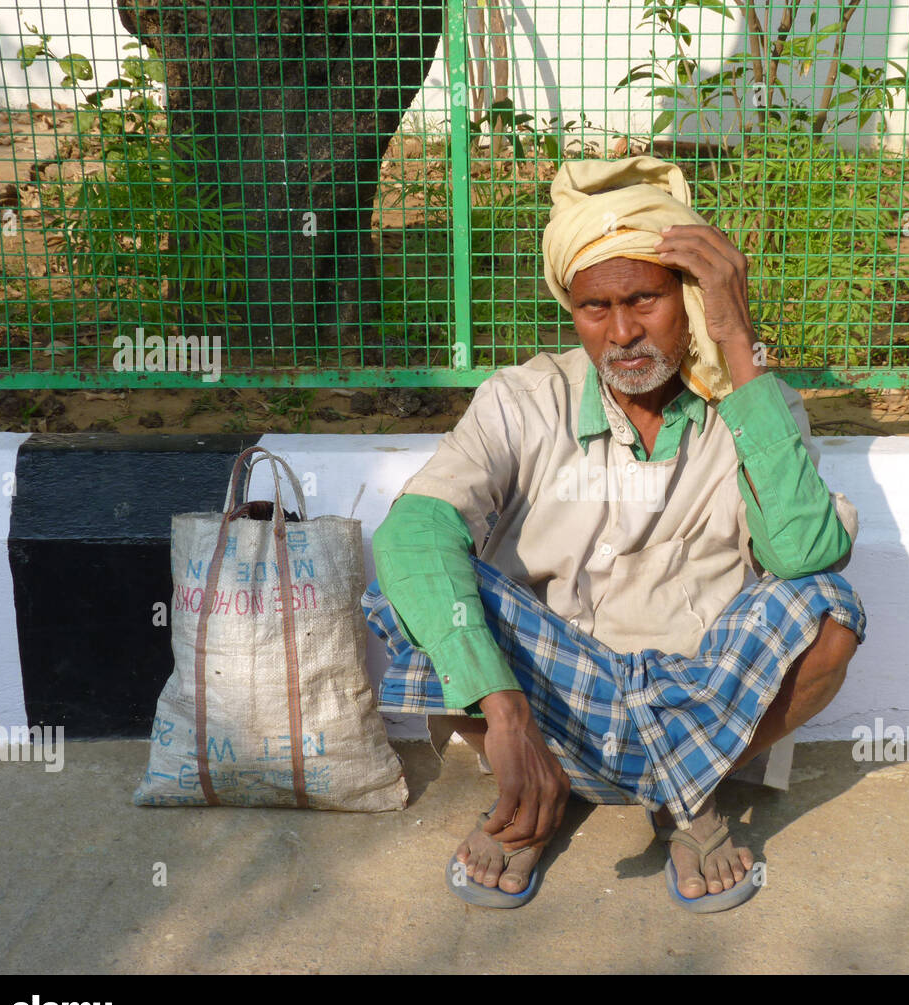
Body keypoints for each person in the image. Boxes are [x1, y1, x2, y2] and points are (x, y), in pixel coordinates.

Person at [363, 155, 866, 912]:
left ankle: (673, 783)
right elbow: (413, 530)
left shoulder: (755, 404)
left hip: (694, 693)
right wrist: (504, 708)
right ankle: (567, 783)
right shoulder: (525, 399)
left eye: (646, 299)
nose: (624, 332)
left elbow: (806, 554)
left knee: (828, 611)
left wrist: (736, 341)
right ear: (571, 308)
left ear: (689, 299)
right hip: (550, 699)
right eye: (596, 308)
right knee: (417, 584)